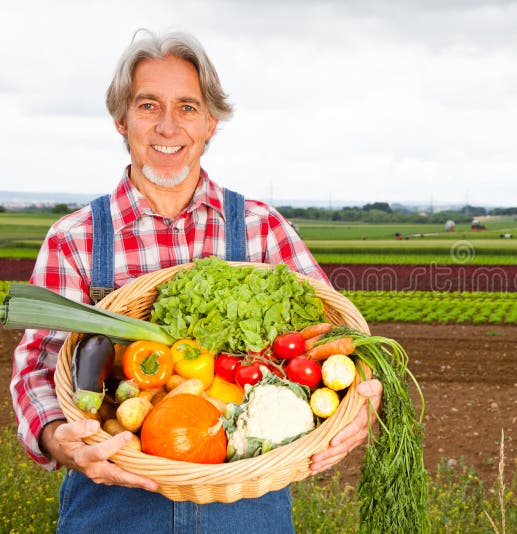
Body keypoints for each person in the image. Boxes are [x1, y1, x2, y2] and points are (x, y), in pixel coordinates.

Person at [10, 30, 382, 532]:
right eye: (148, 105)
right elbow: (37, 369)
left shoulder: (261, 229)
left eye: (187, 107)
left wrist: (361, 400)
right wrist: (58, 438)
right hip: (115, 491)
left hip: (247, 503)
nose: (167, 126)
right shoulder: (76, 238)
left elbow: (342, 342)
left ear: (210, 123)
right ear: (121, 119)